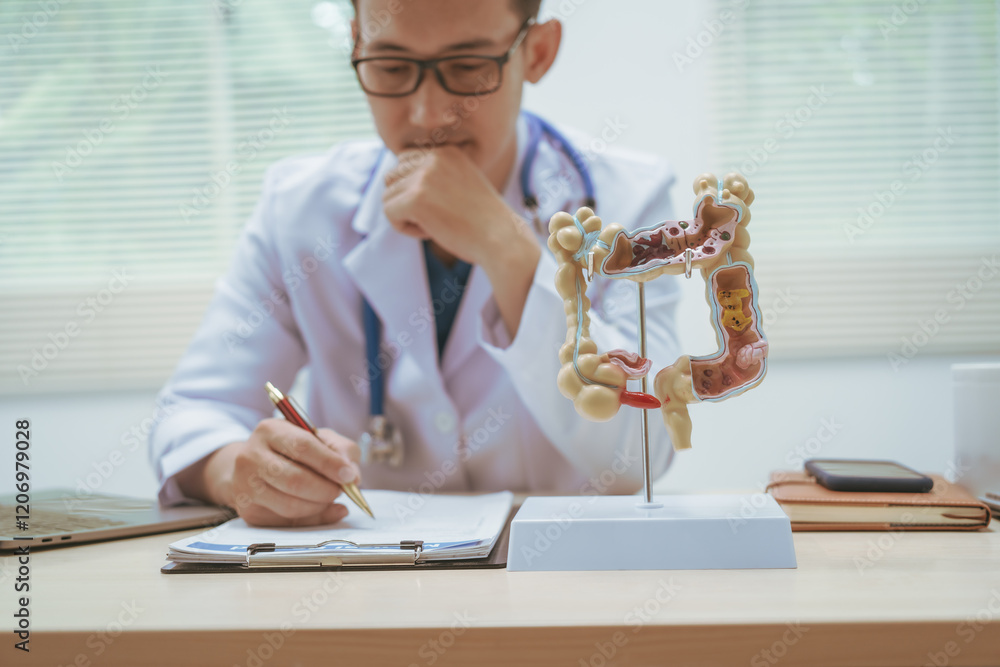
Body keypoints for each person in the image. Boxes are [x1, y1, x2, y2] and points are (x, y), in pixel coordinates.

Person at [149, 0, 682, 526]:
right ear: (356, 42)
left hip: (561, 581)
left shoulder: (627, 202)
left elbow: (640, 453)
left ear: (537, 53)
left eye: (468, 66)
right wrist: (237, 472)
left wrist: (508, 248)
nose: (428, 114)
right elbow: (194, 413)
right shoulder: (298, 209)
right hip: (371, 589)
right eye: (392, 66)